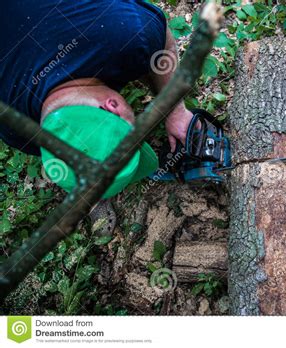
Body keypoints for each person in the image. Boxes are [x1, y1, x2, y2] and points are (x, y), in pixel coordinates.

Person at [0, 0, 193, 233]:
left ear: (111, 106)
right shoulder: (16, 129)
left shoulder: (125, 31)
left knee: (138, 52)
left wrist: (175, 111)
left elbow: (162, 39)